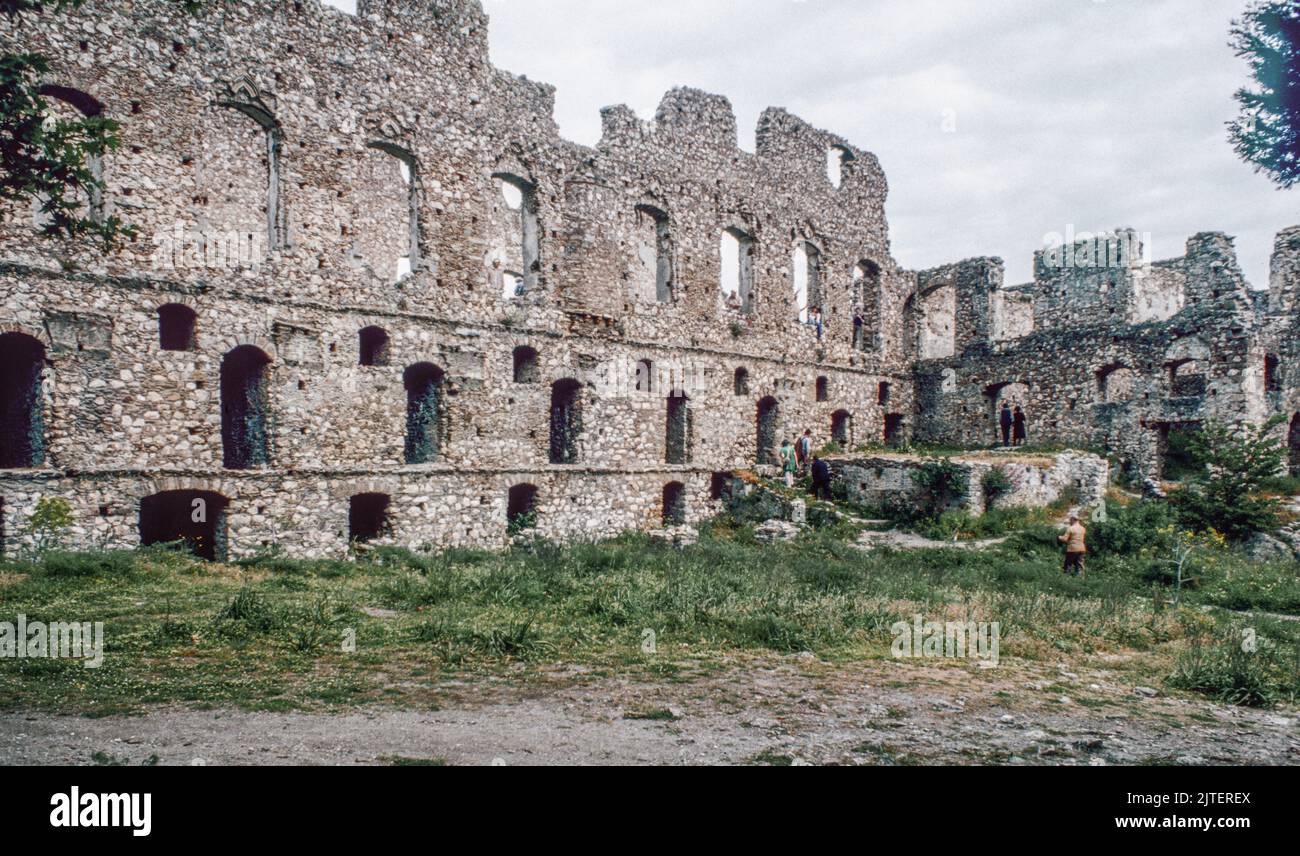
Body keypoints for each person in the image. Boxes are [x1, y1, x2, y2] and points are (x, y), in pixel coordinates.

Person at [1058, 512, 1087, 578]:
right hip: (1082, 548)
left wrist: (1059, 537)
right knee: (1079, 565)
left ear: (1073, 519)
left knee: (1068, 564)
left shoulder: (1070, 528)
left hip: (1072, 549)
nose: (1069, 521)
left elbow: (1065, 539)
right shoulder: (1083, 529)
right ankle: (1080, 579)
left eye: (1070, 520)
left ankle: (1065, 578)